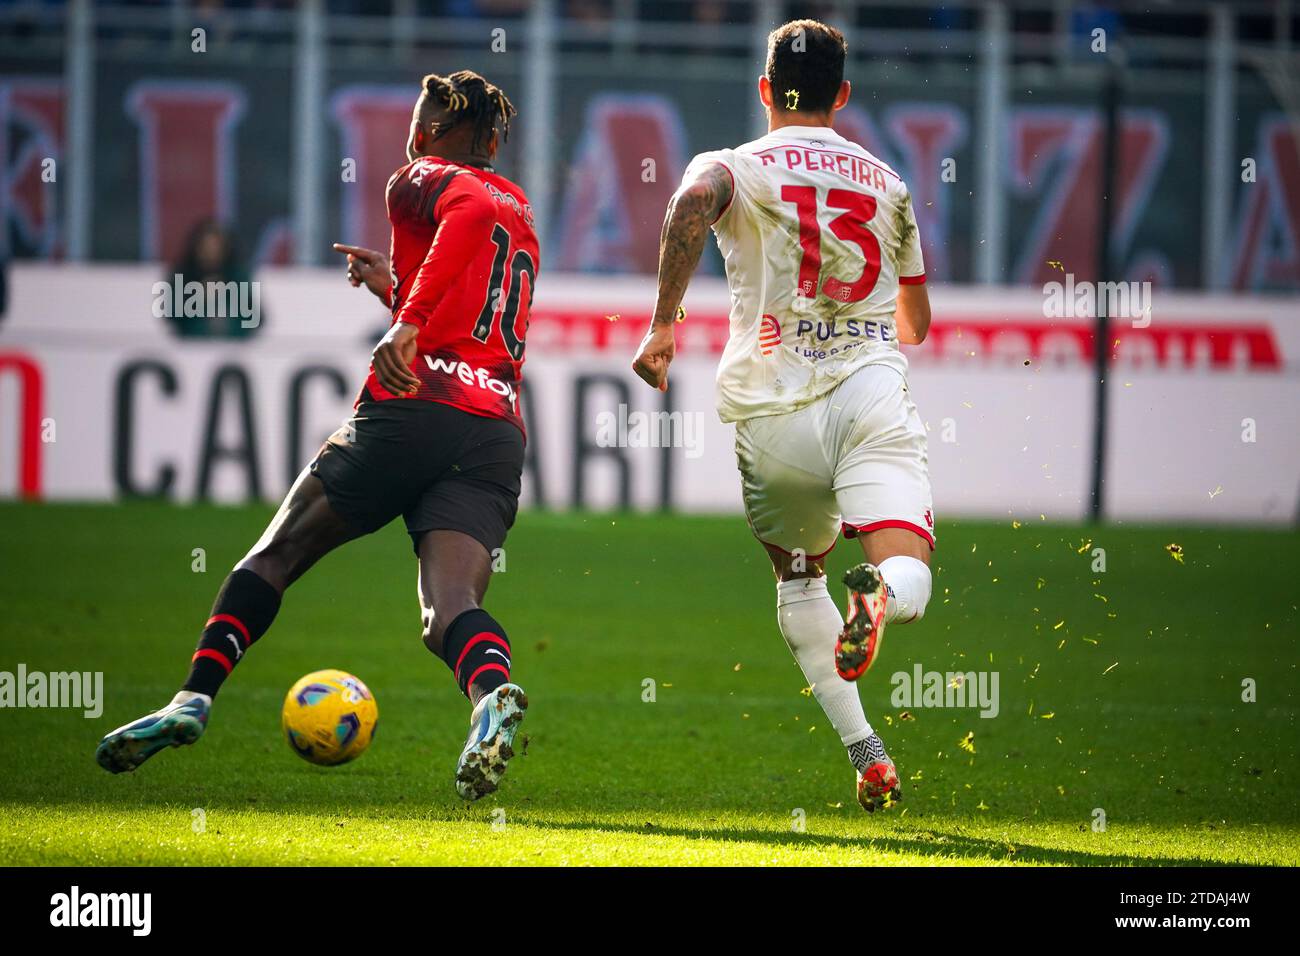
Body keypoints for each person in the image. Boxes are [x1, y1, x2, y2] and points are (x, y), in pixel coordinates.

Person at [97, 69, 538, 801]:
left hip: (414, 409)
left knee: (276, 555)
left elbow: (456, 230)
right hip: (493, 428)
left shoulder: (417, 177)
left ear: (427, 131)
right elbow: (475, 311)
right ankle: (490, 695)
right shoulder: (518, 207)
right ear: (494, 140)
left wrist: (405, 320)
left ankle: (192, 699)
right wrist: (396, 290)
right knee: (447, 609)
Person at [632, 19, 935, 813]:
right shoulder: (888, 183)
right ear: (842, 94)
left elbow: (692, 204)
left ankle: (866, 752)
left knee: (801, 577)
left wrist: (664, 324)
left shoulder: (732, 166)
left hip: (771, 408)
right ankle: (882, 598)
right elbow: (916, 324)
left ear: (765, 89)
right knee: (911, 569)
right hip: (866, 388)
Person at [164, 218, 261, 339]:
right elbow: (170, 315)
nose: (211, 252)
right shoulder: (183, 275)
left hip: (233, 348)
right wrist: (195, 299)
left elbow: (256, 318)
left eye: (215, 246)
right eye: (206, 247)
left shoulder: (238, 276)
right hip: (190, 349)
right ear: (196, 248)